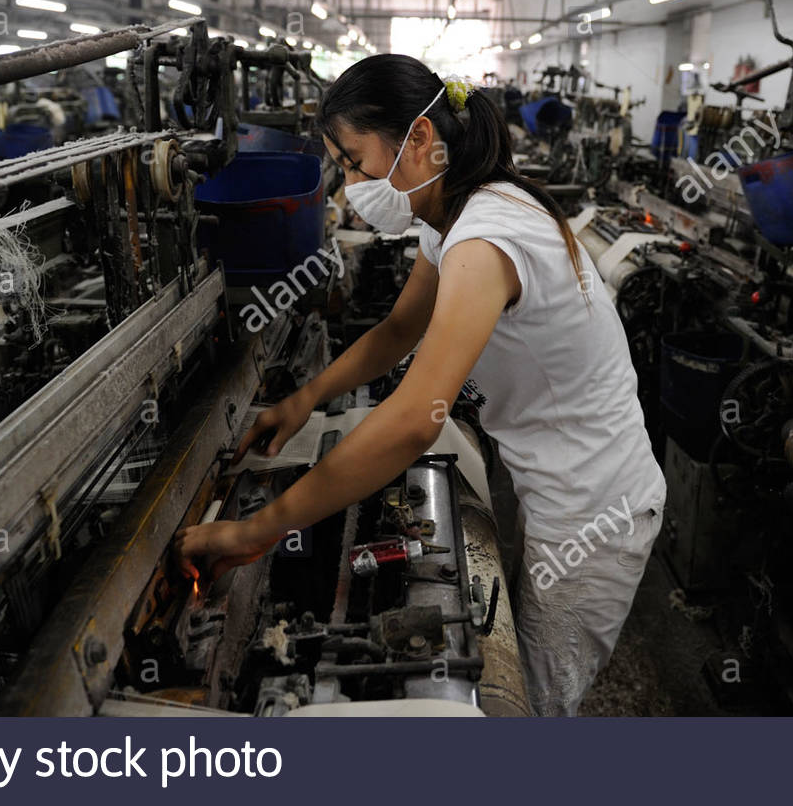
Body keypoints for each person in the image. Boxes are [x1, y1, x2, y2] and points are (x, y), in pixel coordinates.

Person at [174, 53, 666, 716]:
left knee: (530, 709)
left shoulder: (486, 236)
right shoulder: (458, 217)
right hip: (559, 483)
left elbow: (414, 422)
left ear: (421, 141)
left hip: (595, 511)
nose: (349, 187)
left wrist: (255, 533)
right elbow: (398, 330)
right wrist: (301, 400)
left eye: (353, 161)